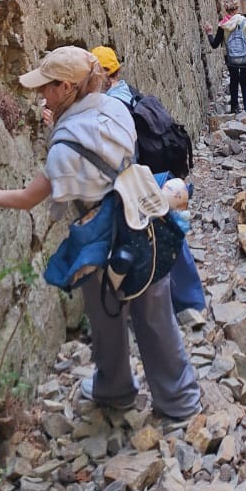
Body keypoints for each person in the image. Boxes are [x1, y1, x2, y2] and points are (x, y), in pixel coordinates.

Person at [0, 46, 200, 420]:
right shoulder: (116, 108)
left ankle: (115, 389)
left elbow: (26, 198)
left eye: (47, 87)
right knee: (156, 314)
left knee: (107, 316)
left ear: (66, 87)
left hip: (102, 237)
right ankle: (180, 399)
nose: (41, 95)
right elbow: (103, 149)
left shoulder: (64, 149)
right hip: (143, 215)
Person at [90, 45, 206, 316]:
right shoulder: (127, 91)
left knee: (155, 236)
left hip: (137, 181)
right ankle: (189, 298)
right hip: (152, 176)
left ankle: (171, 302)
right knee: (168, 230)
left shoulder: (112, 103)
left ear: (106, 75)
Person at [204, 0, 246, 115]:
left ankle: (234, 107)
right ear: (237, 8)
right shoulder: (245, 21)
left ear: (226, 9)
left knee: (234, 80)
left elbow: (214, 44)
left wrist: (209, 33)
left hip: (231, 58)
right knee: (245, 81)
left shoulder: (222, 25)